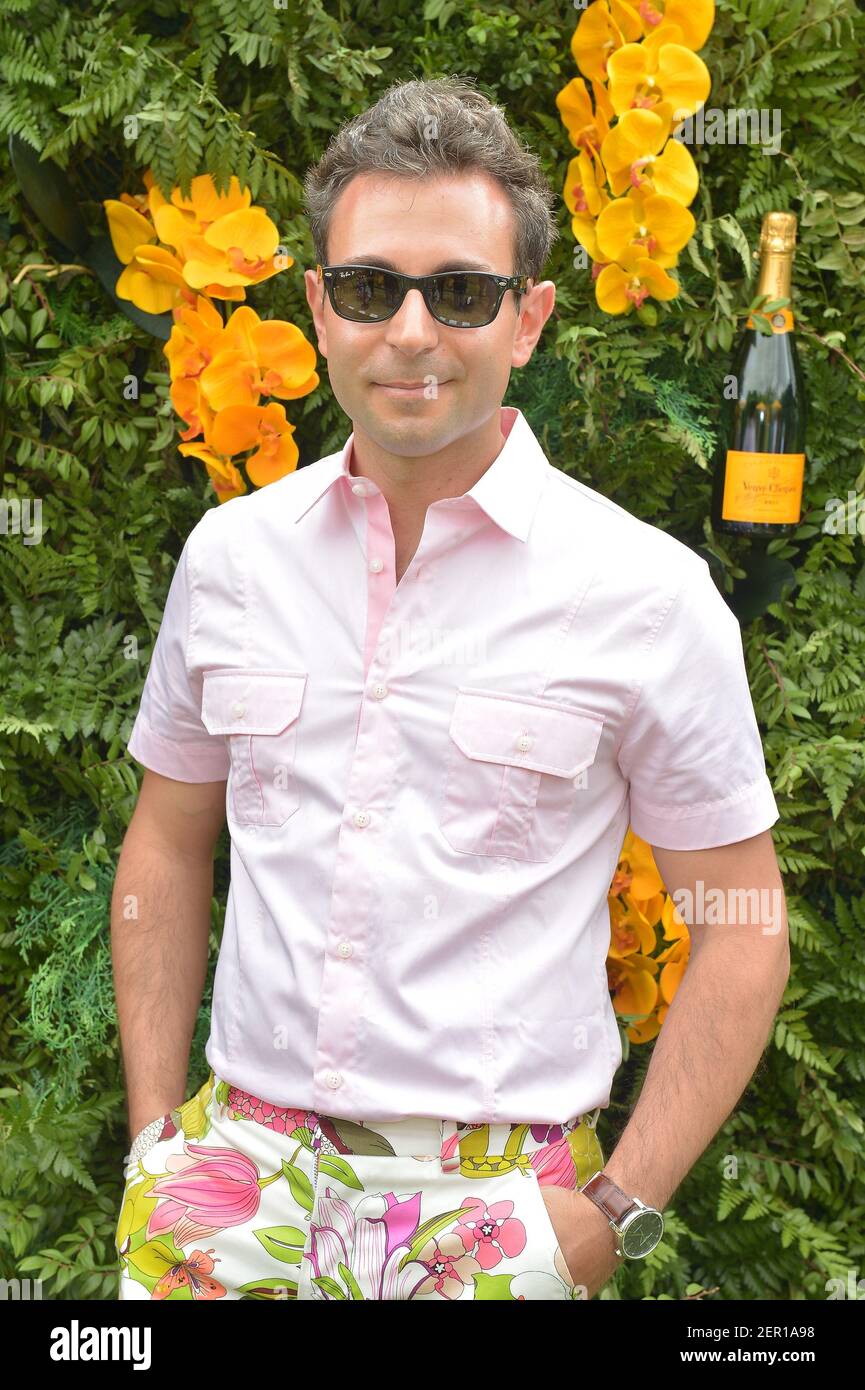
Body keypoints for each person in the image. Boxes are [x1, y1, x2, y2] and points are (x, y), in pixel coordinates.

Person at [111, 74, 789, 1302]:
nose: (411, 333)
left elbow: (742, 928)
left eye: (459, 293)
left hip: (500, 1216)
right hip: (229, 1189)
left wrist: (615, 1212)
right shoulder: (230, 560)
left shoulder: (648, 594)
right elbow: (165, 842)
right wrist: (159, 1140)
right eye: (371, 288)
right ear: (317, 309)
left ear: (526, 319)